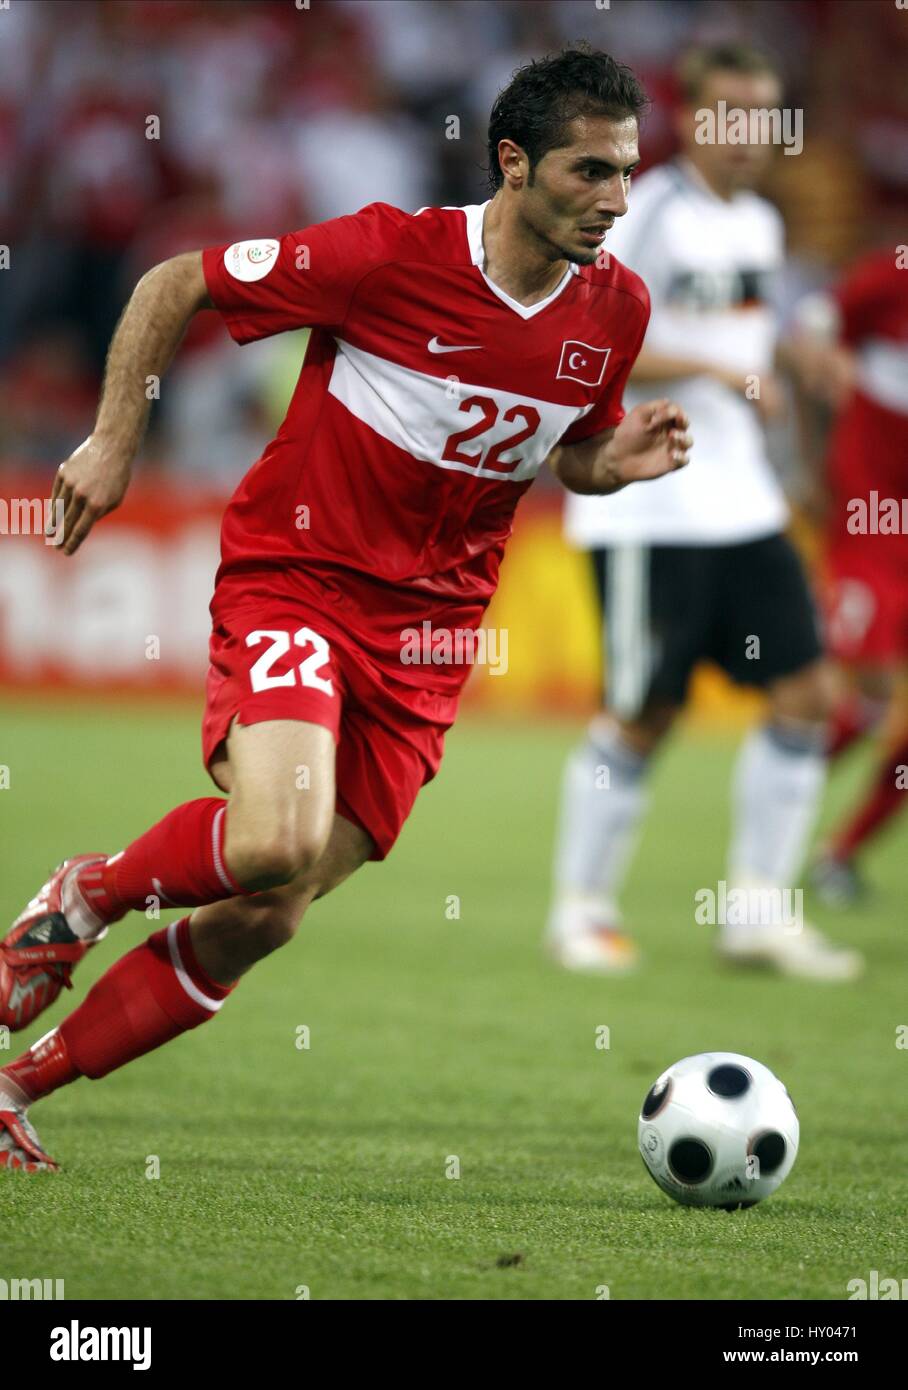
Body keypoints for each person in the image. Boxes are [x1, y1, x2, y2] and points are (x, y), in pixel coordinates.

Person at [0, 45, 693, 1172]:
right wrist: (115, 439)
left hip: (429, 641)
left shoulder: (615, 309)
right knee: (271, 839)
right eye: (587, 173)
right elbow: (173, 282)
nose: (614, 200)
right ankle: (84, 895)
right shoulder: (386, 252)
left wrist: (616, 460)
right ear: (511, 164)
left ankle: (18, 1084)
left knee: (265, 912)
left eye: (624, 172)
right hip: (302, 580)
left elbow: (568, 452)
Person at [547, 43, 862, 982]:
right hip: (651, 504)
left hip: (744, 502)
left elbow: (757, 350)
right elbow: (586, 336)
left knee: (810, 695)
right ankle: (580, 911)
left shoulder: (761, 226)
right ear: (687, 118)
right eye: (728, 113)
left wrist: (791, 402)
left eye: (763, 115)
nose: (747, 135)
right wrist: (721, 370)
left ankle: (758, 911)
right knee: (645, 714)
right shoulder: (644, 214)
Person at [792, 249, 908, 903]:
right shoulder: (892, 278)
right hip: (871, 522)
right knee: (868, 692)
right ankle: (774, 807)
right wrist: (813, 461)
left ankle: (840, 853)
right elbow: (810, 327)